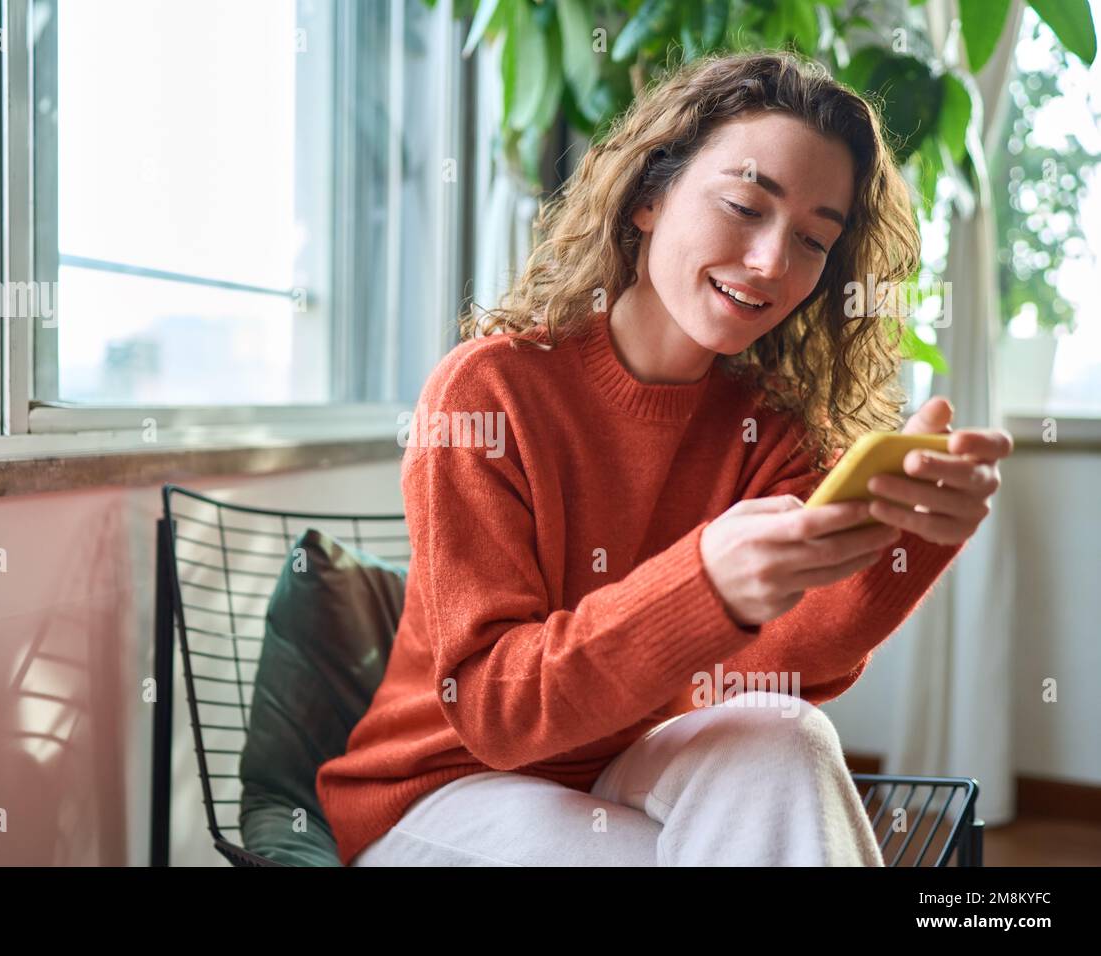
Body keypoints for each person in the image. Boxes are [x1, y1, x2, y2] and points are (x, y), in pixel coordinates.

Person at [315, 49, 1013, 867]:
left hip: (625, 769)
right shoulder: (489, 393)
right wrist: (702, 581)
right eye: (746, 206)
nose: (772, 263)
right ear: (649, 196)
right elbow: (495, 712)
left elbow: (779, 669)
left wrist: (909, 535)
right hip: (445, 786)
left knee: (784, 735)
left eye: (815, 242)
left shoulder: (770, 427)